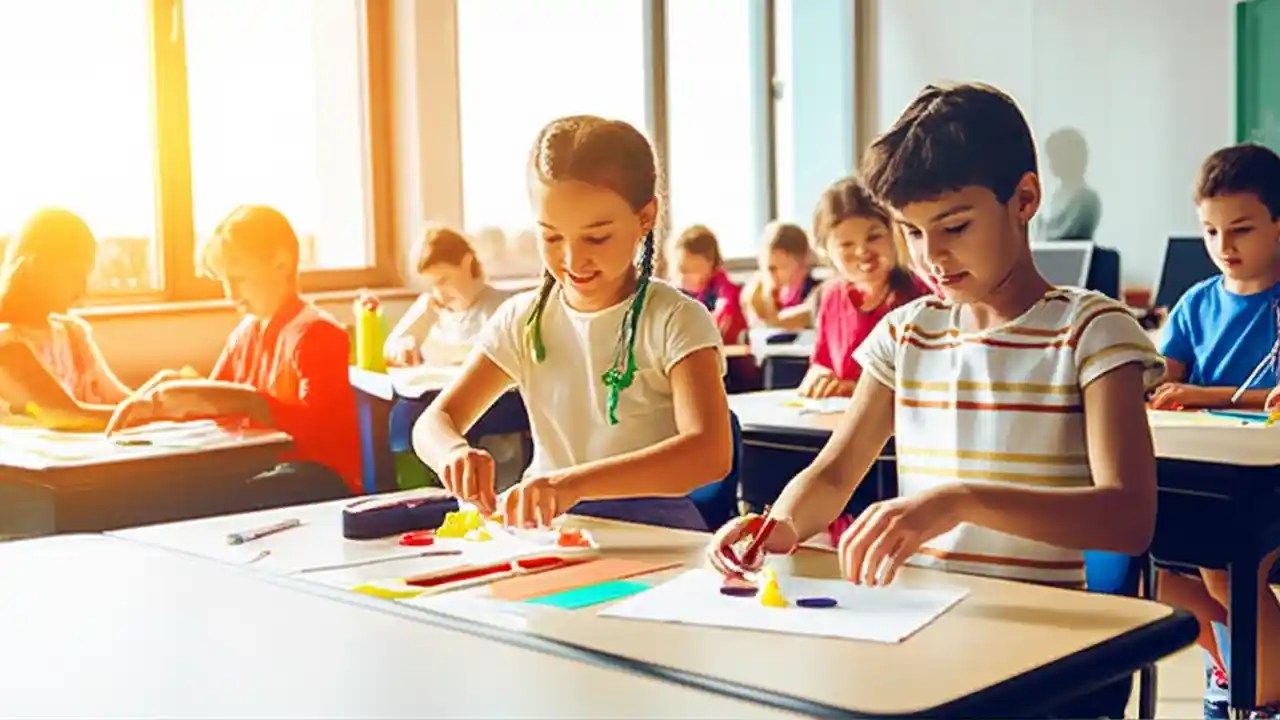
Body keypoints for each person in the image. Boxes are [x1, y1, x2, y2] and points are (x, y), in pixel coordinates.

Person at [708, 82, 1162, 719]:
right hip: (918, 628)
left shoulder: (1093, 330)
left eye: (955, 226)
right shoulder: (906, 331)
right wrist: (773, 530)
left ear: (1024, 199)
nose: (931, 256)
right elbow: (837, 472)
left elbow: (1128, 518)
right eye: (911, 233)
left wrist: (959, 500)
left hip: (1033, 640)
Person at [412, 115, 733, 531]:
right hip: (551, 534)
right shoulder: (524, 320)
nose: (571, 259)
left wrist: (573, 484)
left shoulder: (675, 319)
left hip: (656, 535)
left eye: (596, 238)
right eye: (550, 237)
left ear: (645, 217)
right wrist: (453, 453)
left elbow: (710, 452)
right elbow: (432, 423)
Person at [108, 205, 359, 506]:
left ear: (281, 264)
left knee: (209, 496)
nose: (230, 294)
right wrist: (173, 397)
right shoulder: (244, 334)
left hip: (315, 482)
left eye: (239, 279)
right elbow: (216, 407)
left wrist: (248, 402)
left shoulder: (317, 334)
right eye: (223, 281)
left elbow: (320, 435)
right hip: (260, 472)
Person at [1157, 143, 1280, 718]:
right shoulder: (1194, 304)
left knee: (1225, 562)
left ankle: (1260, 697)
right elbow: (1161, 383)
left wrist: (1206, 396)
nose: (1223, 247)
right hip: (1197, 472)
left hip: (1264, 480)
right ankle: (1233, 664)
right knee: (1123, 565)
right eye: (1210, 232)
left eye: (1242, 229)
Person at [0, 208, 135, 430]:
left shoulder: (74, 334)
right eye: (74, 274)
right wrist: (154, 411)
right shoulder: (6, 344)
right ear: (36, 266)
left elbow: (117, 398)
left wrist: (158, 394)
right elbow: (65, 416)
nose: (82, 288)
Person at [798, 177, 929, 399]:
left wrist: (856, 390)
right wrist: (819, 377)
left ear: (895, 234)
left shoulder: (921, 295)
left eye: (874, 237)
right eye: (846, 245)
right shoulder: (832, 295)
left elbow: (925, 378)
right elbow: (822, 363)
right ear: (826, 251)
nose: (862, 251)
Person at [384, 225, 508, 367]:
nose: (439, 294)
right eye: (432, 285)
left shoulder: (502, 308)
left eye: (443, 280)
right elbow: (390, 347)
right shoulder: (429, 308)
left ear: (466, 262)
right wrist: (402, 347)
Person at [670, 224, 749, 345]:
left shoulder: (720, 286)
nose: (686, 277)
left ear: (711, 264)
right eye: (682, 270)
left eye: (694, 270)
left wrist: (718, 315)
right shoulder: (675, 293)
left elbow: (726, 304)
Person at [743, 221, 820, 331]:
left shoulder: (817, 292)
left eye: (774, 268)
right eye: (767, 269)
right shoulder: (769, 294)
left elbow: (805, 316)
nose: (770, 275)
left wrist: (767, 316)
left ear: (802, 261)